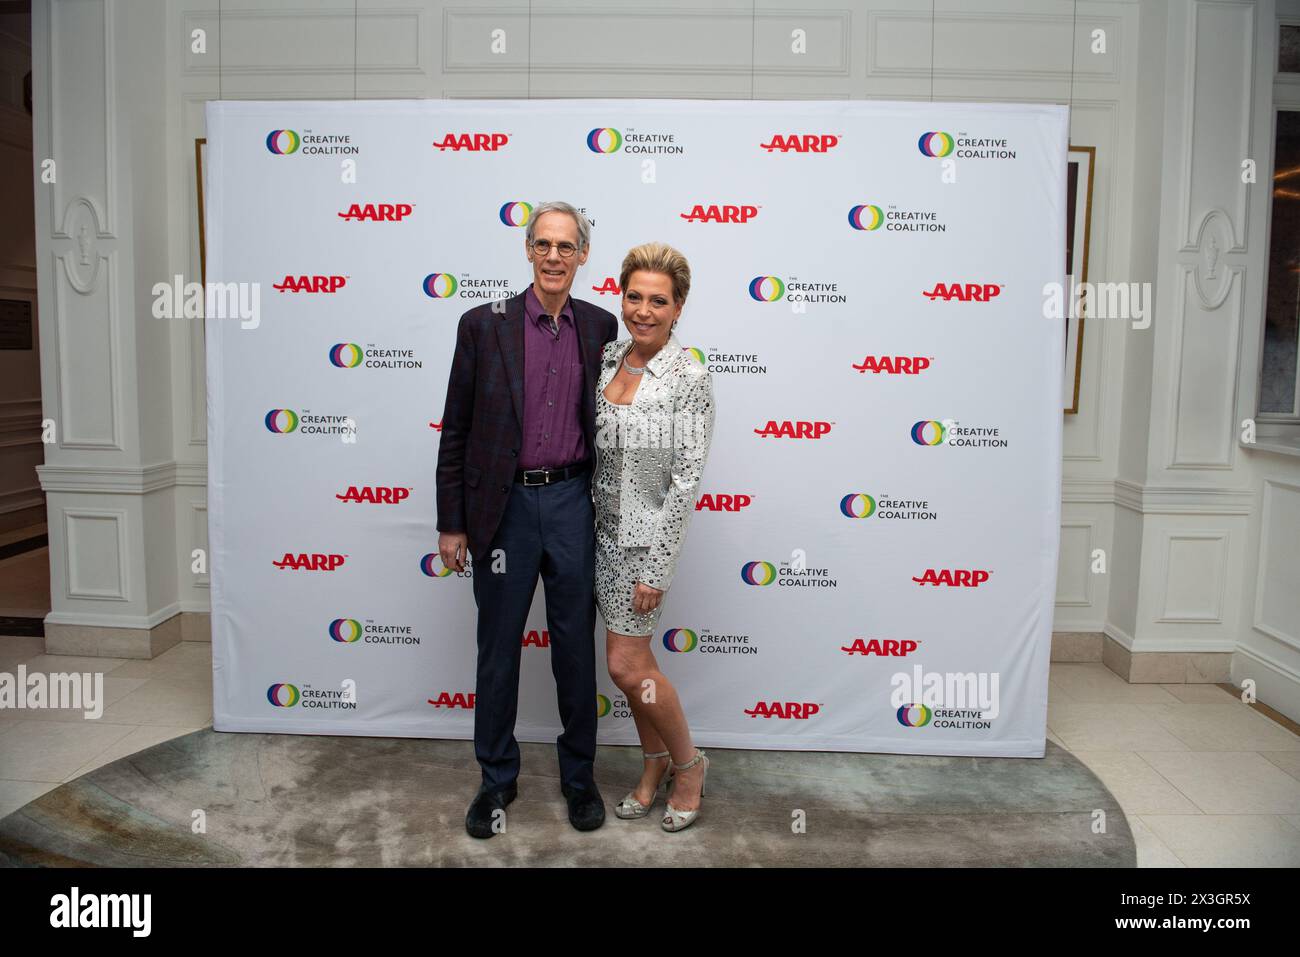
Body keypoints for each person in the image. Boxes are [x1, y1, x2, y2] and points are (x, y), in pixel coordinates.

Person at [435, 201, 618, 839]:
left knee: (573, 648)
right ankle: (495, 780)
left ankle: (579, 780)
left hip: (572, 504)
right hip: (503, 511)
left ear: (583, 256)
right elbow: (455, 428)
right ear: (527, 250)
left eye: (566, 247)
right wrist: (452, 522)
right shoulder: (482, 325)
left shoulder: (602, 327)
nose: (553, 257)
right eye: (542, 244)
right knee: (498, 651)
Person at [593, 242, 716, 832]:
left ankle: (688, 768)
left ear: (679, 307)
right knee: (635, 662)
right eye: (634, 297)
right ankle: (653, 765)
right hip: (596, 535)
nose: (643, 310)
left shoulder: (689, 377)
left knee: (624, 665)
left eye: (658, 301)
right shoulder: (608, 355)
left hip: (642, 546)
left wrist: (657, 567)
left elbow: (686, 483)